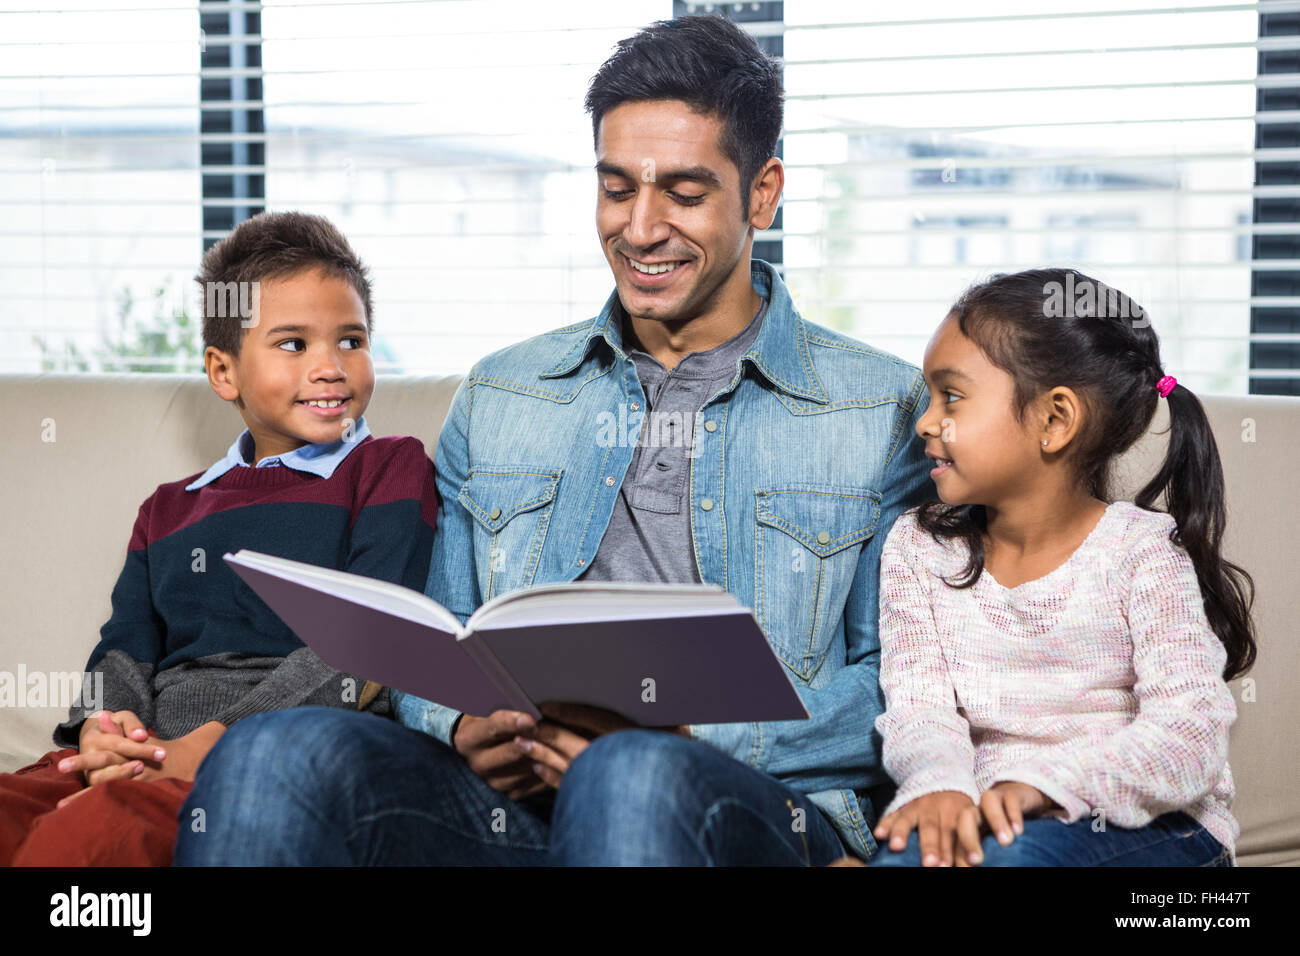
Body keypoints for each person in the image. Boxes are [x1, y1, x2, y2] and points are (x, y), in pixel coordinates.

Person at [173, 15, 934, 867]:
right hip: (509, 806)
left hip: (737, 803)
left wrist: (692, 733)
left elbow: (904, 688)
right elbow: (440, 632)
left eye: (684, 194)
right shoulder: (502, 393)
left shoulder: (881, 407)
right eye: (616, 189)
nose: (640, 229)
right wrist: (461, 725)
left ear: (763, 193)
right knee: (272, 753)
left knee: (631, 776)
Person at [0, 211, 439, 865]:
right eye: (294, 344)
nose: (331, 367)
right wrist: (105, 730)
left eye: (351, 340)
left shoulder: (389, 468)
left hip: (279, 752)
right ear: (223, 372)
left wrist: (207, 745)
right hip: (151, 747)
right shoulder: (168, 508)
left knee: (88, 840)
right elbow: (123, 650)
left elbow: (368, 642)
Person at [865, 269, 1255, 867]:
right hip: (994, 823)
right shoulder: (918, 548)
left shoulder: (1142, 553)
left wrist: (1049, 786)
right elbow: (920, 709)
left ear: (1054, 420)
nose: (925, 421)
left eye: (952, 396)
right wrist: (940, 786)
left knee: (1020, 860)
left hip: (1157, 829)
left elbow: (1190, 736)